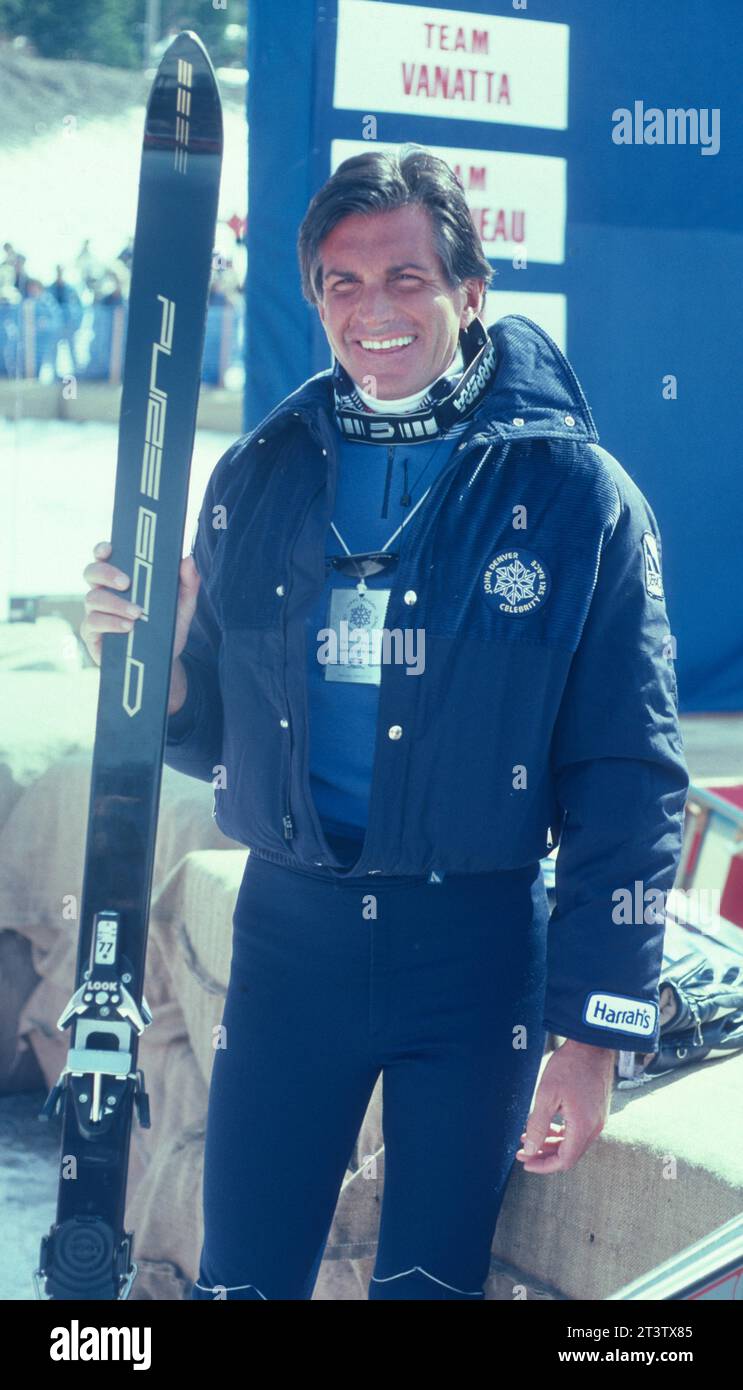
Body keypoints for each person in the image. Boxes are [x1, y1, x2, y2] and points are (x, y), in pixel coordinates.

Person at [80, 146, 689, 1301]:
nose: (374, 312)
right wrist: (153, 669)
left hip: (475, 951)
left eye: (407, 279)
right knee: (240, 1281)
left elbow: (628, 773)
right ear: (313, 300)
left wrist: (593, 1035)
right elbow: (210, 731)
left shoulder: (574, 494)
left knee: (427, 1287)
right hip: (288, 937)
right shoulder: (260, 474)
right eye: (342, 285)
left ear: (470, 292)